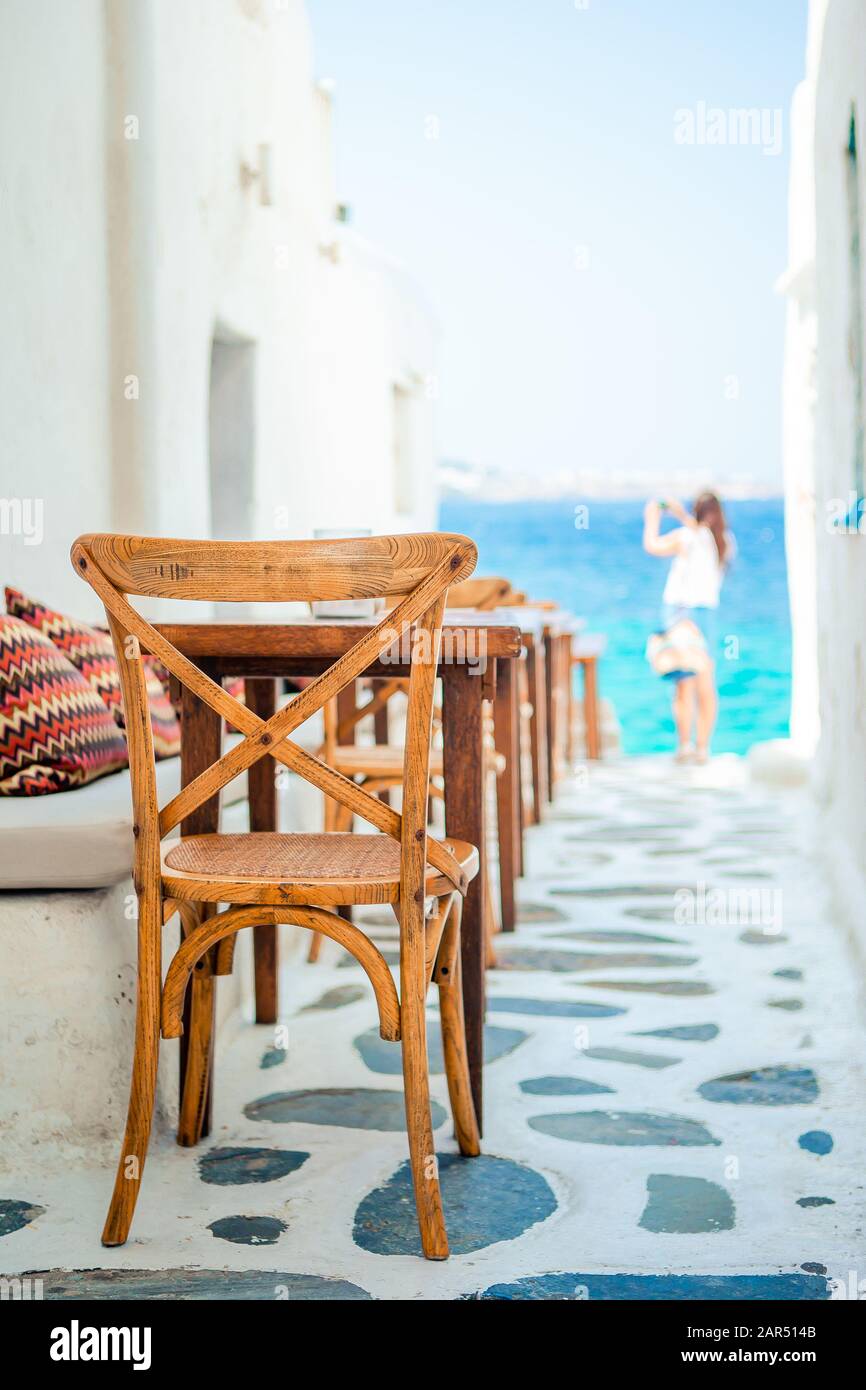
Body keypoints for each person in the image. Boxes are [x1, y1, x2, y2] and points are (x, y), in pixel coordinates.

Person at [643, 492, 736, 764]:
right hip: (707, 613)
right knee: (706, 681)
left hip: (680, 611)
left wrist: (655, 516)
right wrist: (681, 515)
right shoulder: (726, 543)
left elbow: (652, 545)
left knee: (683, 682)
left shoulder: (688, 536)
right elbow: (704, 537)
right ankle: (703, 747)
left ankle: (684, 746)